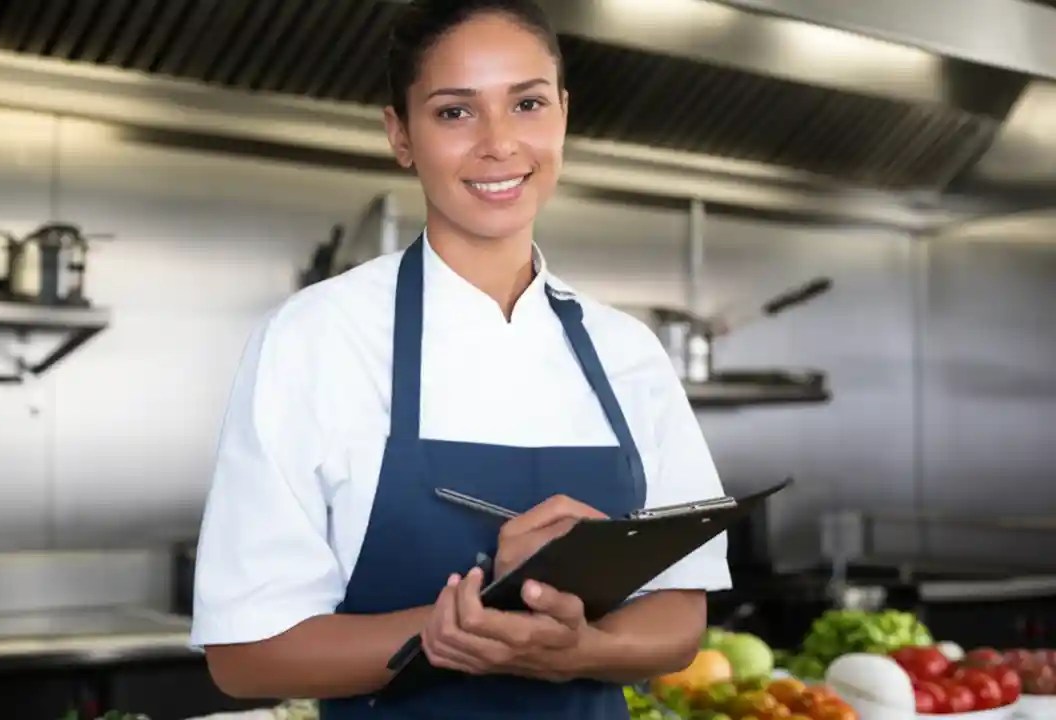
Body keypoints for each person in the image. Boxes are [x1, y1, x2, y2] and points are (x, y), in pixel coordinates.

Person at [191, 0, 731, 716]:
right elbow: (246, 657)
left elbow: (678, 620)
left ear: (563, 114)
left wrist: (575, 652)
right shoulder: (318, 337)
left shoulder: (627, 351)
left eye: (528, 103)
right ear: (400, 135)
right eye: (454, 112)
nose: (500, 143)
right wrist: (461, 630)